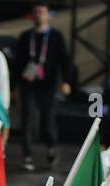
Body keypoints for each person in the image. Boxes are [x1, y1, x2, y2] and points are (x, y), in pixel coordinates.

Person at [15, 3, 74, 171]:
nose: (39, 15)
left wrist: (67, 81)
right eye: (37, 12)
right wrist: (15, 85)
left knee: (47, 120)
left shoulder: (55, 36)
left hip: (48, 85)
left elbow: (65, 60)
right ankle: (27, 154)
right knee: (27, 119)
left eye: (42, 12)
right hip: (28, 84)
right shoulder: (26, 37)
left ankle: (51, 147)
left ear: (48, 15)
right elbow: (18, 63)